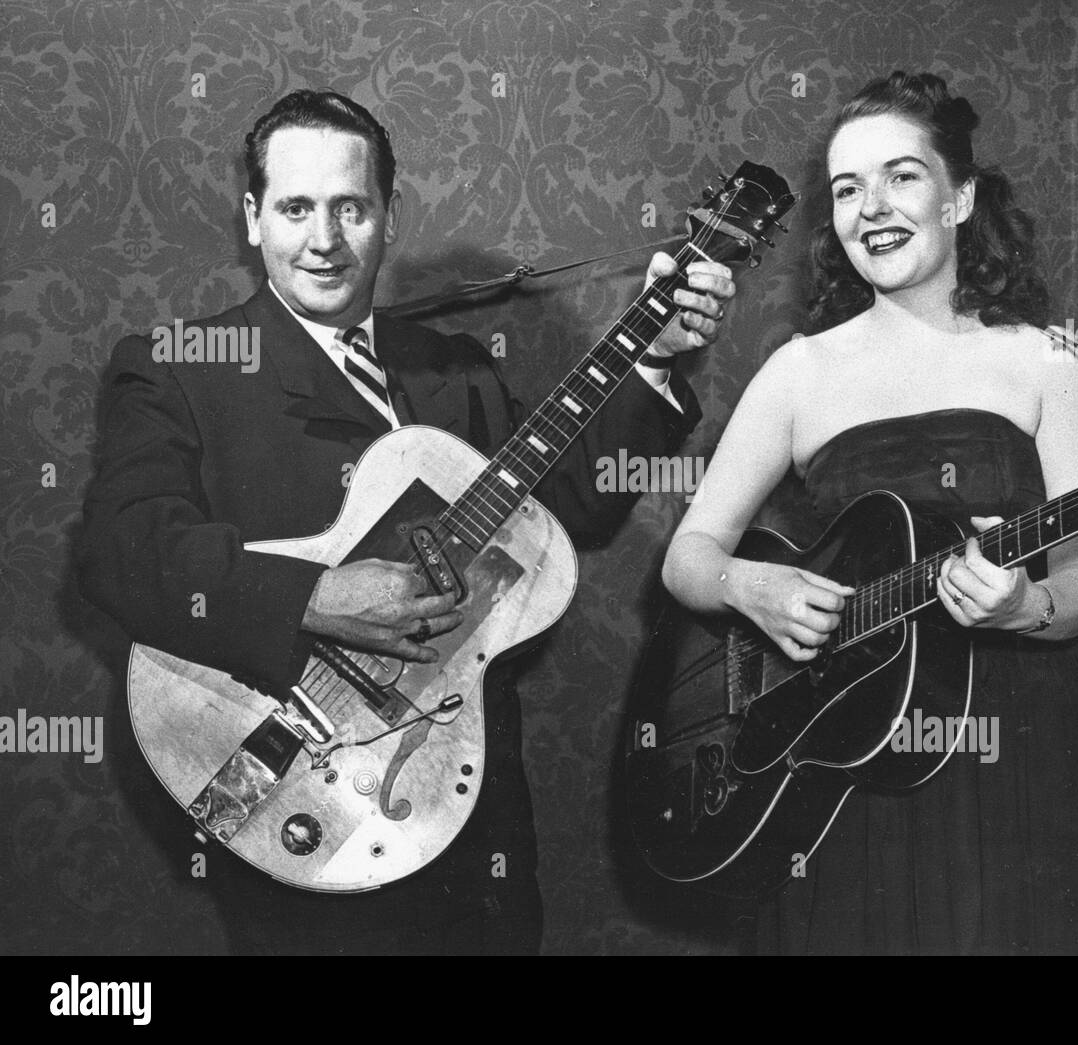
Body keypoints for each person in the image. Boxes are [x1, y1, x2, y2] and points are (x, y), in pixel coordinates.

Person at [77, 89, 735, 955]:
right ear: (252, 218)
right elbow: (125, 551)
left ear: (390, 215)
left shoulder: (452, 370)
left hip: (471, 811)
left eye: (350, 207)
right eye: (296, 208)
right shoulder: (180, 370)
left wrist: (652, 359)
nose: (323, 239)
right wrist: (318, 596)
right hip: (301, 793)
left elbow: (571, 504)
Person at [661, 71, 1078, 954]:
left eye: (902, 175)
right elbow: (690, 556)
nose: (871, 206)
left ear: (960, 199)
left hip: (1018, 757)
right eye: (846, 188)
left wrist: (1025, 605)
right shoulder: (800, 371)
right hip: (846, 761)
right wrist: (746, 584)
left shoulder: (1046, 365)